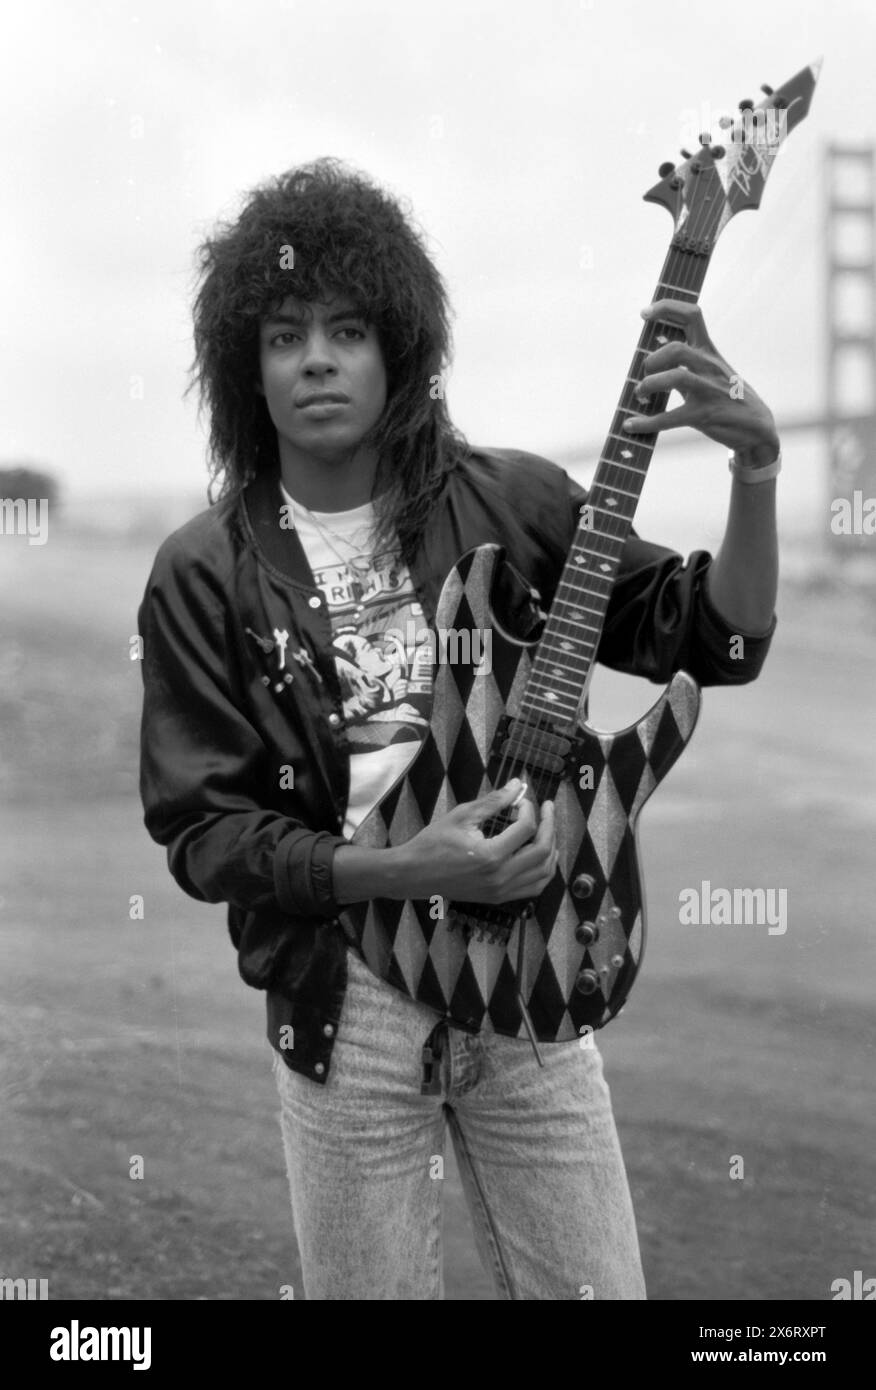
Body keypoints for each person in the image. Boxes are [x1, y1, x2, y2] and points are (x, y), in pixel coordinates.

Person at [137, 157, 780, 1300]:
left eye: (347, 329)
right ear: (249, 364)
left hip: (543, 977)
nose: (319, 357)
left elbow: (716, 640)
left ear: (400, 349)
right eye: (285, 335)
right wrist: (404, 864)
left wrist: (759, 472)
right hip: (350, 1010)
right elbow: (206, 833)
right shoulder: (204, 571)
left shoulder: (510, 502)